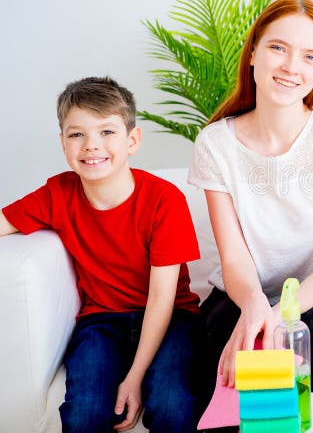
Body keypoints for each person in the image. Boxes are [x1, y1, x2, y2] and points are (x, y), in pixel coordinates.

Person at [189, 0, 313, 395]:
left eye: (310, 57)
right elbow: (235, 258)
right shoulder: (215, 143)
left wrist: (278, 317)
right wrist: (256, 306)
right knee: (231, 342)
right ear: (254, 51)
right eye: (278, 48)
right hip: (242, 295)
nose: (292, 67)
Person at [0, 77, 203, 433]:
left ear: (132, 140)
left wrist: (134, 377)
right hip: (101, 321)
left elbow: (161, 299)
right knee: (83, 414)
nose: (91, 146)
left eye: (107, 132)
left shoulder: (164, 200)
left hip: (171, 318)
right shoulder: (57, 193)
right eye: (77, 134)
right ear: (63, 143)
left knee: (172, 407)